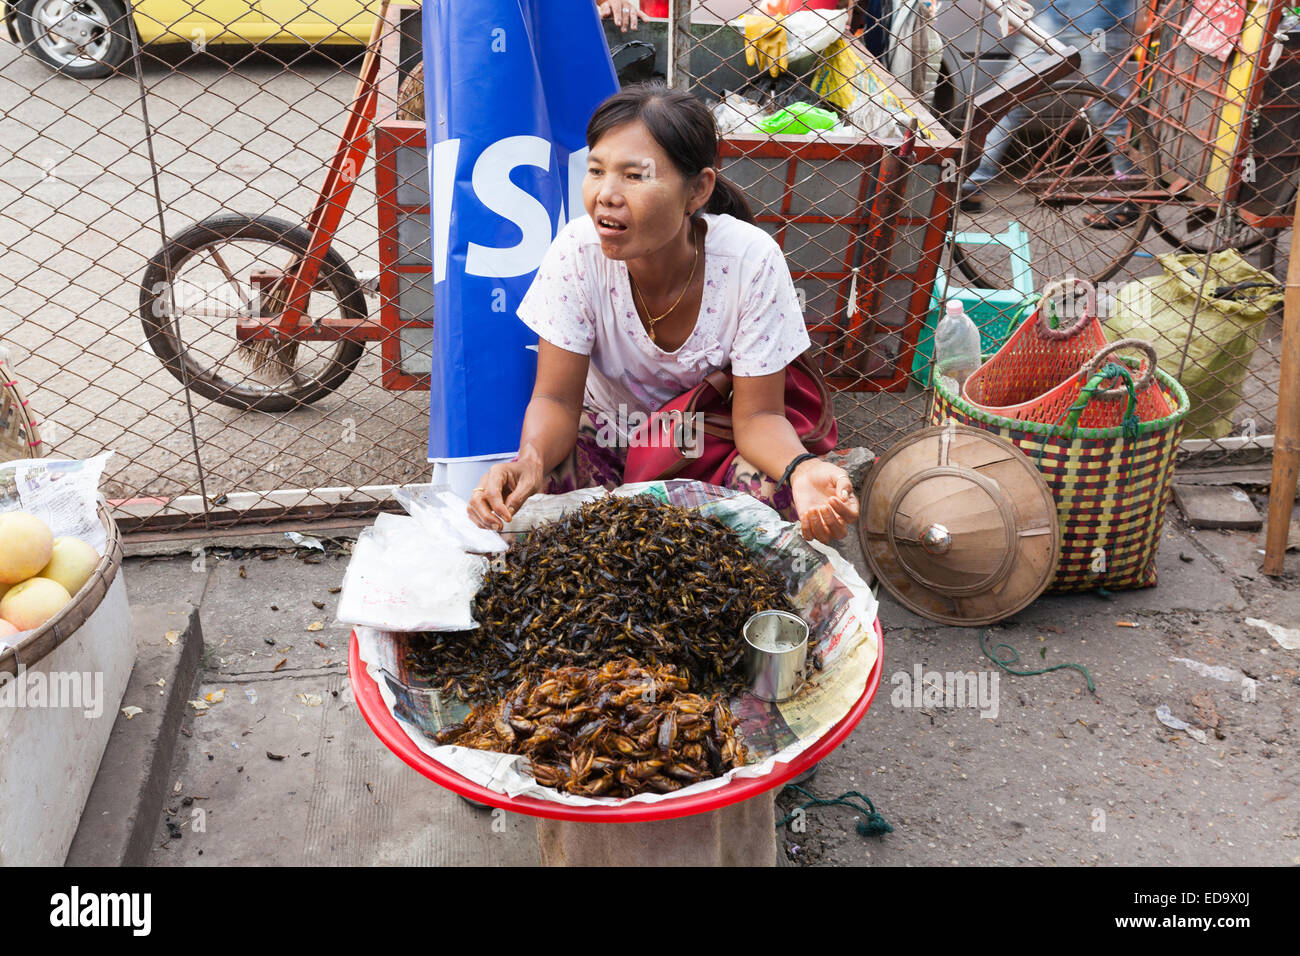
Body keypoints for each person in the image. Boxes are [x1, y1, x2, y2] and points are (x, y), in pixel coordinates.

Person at [465, 83, 860, 544]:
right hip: (607, 439)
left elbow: (758, 419)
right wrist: (529, 460)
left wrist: (801, 469)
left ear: (697, 190)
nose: (606, 194)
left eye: (635, 176)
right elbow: (557, 401)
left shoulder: (751, 261)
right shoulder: (576, 253)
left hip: (705, 447)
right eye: (596, 170)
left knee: (790, 506)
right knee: (520, 507)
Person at [961, 0, 1140, 229]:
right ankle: (971, 183)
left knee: (1104, 108)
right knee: (1009, 94)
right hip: (1052, 16)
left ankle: (1127, 192)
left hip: (1098, 20)